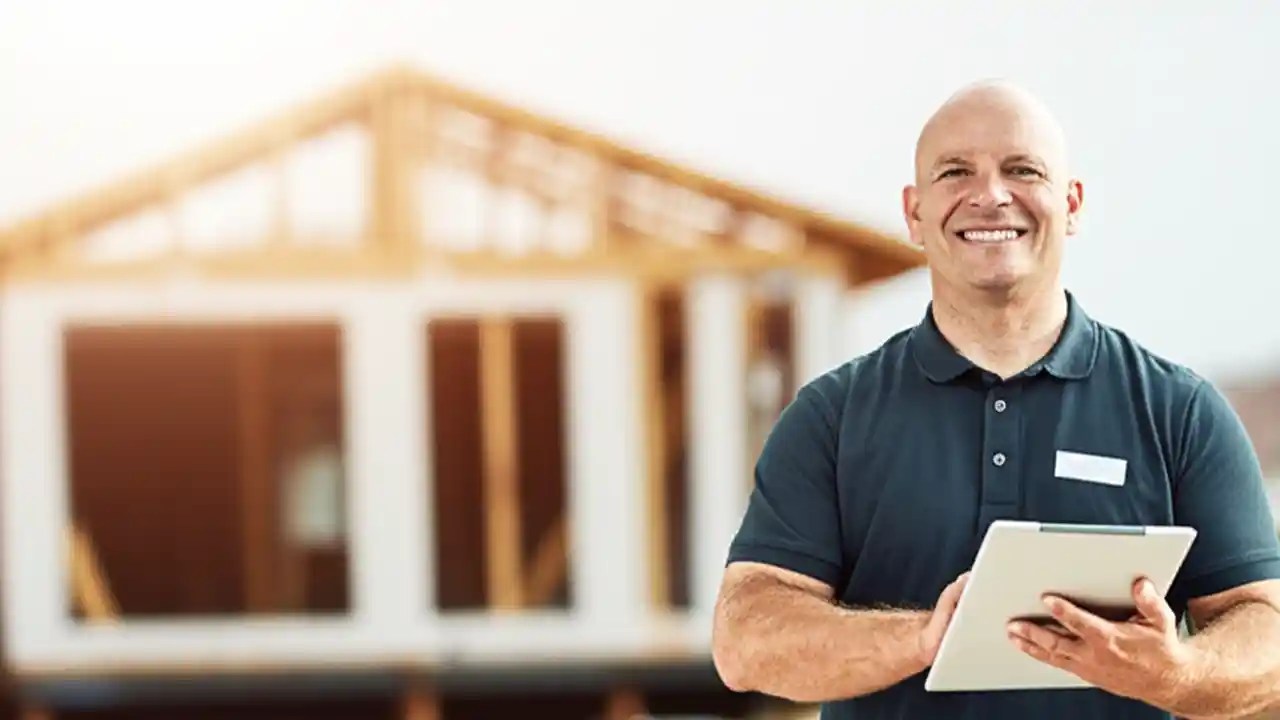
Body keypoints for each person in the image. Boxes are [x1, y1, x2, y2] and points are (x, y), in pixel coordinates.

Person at [710, 80, 1280, 719]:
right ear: (914, 212)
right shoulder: (831, 419)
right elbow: (745, 639)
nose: (989, 195)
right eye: (955, 172)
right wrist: (923, 637)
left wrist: (1181, 671)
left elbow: (1268, 634)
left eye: (1022, 170)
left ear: (1072, 203)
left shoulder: (1180, 413)